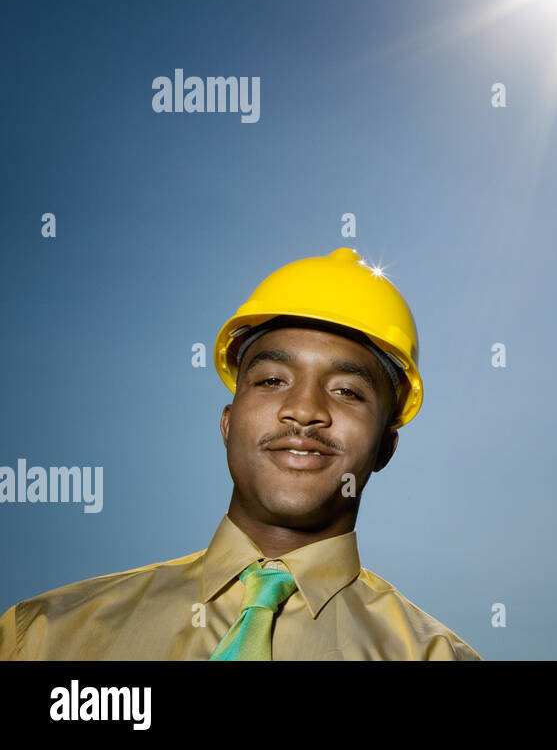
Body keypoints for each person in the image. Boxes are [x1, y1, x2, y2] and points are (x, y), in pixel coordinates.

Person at [0, 247, 480, 660]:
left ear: (385, 447)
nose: (303, 410)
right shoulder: (42, 637)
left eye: (348, 391)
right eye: (273, 381)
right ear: (227, 423)